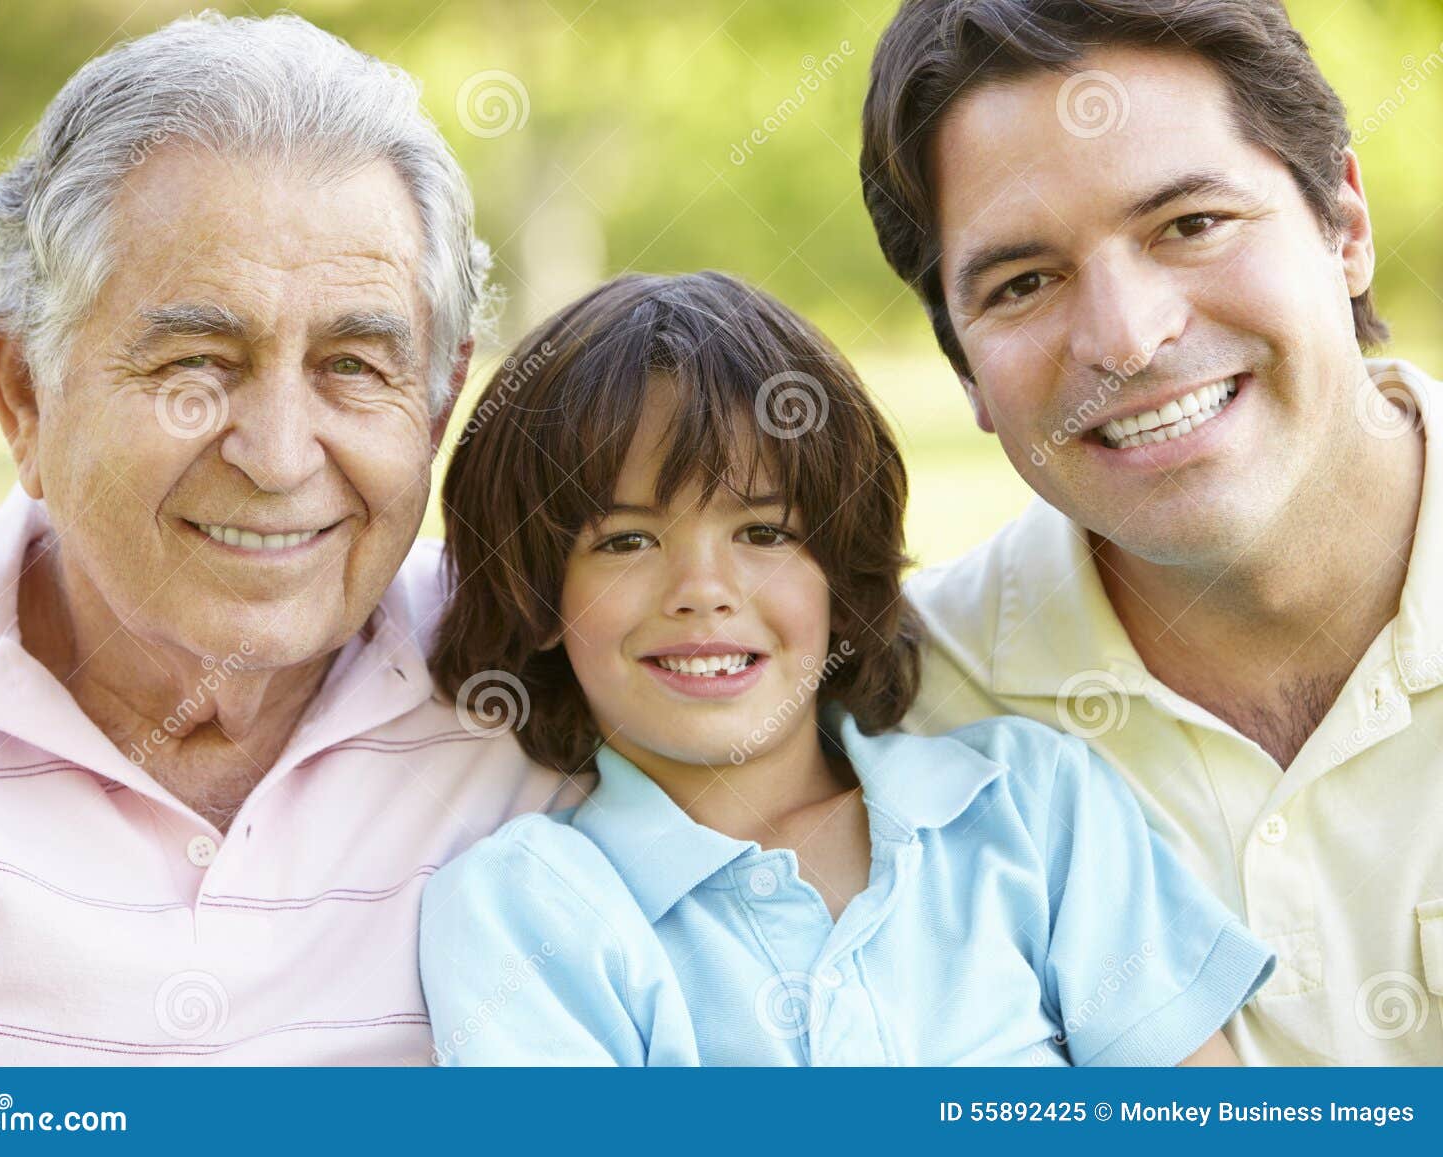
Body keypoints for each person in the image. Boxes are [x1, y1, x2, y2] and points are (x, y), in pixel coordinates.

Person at [0, 13, 578, 1066]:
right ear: (23, 396)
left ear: (436, 402)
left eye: (354, 366)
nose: (278, 456)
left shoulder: (558, 684)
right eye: (195, 361)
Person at [417, 271, 1273, 1065]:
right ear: (536, 591)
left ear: (841, 569)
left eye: (763, 532)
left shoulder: (1031, 808)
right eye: (627, 540)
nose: (703, 592)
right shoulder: (526, 907)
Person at [859, 0, 1443, 1063]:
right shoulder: (891, 722)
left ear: (1344, 227)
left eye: (1190, 224)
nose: (1126, 338)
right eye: (1023, 282)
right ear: (964, 371)